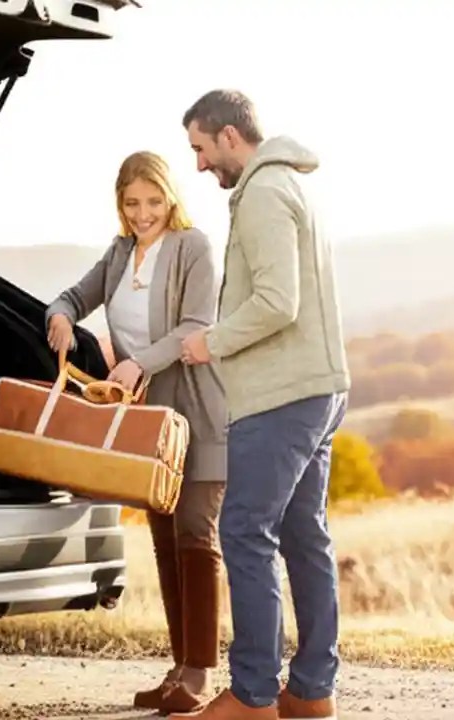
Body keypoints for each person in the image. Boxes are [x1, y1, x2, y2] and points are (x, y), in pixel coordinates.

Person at [172, 89, 351, 720]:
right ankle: (309, 691)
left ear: (228, 137)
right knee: (304, 537)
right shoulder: (293, 186)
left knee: (244, 532)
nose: (197, 165)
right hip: (318, 389)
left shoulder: (264, 193)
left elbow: (278, 302)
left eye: (199, 148)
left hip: (281, 397)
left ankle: (251, 697)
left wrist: (208, 342)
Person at [45, 150, 229, 715]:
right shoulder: (121, 252)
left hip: (197, 410)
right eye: (132, 203)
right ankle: (178, 669)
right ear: (120, 206)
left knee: (196, 533)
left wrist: (139, 362)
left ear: (170, 197)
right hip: (144, 421)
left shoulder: (193, 246)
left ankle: (200, 670)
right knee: (165, 537)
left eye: (152, 201)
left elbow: (197, 326)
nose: (143, 213)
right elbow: (75, 297)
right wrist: (58, 315)